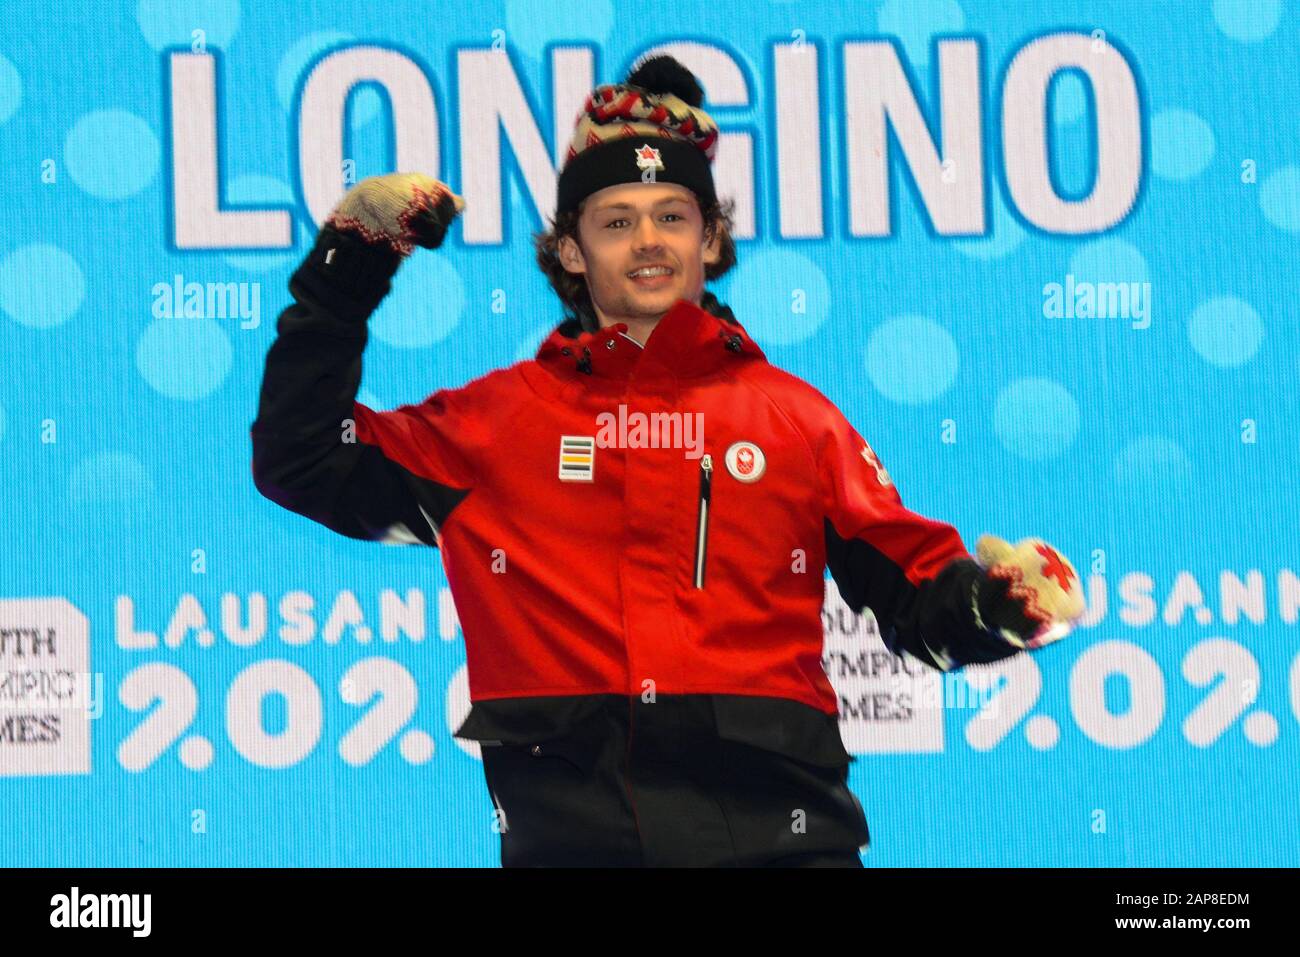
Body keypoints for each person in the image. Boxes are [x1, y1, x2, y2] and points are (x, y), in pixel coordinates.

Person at [250, 54, 1085, 867]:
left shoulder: (794, 419)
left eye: (672, 216)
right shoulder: (493, 427)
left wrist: (995, 607)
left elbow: (915, 600)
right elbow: (302, 455)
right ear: (570, 250)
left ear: (711, 238)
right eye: (616, 221)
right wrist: (348, 265)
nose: (648, 241)